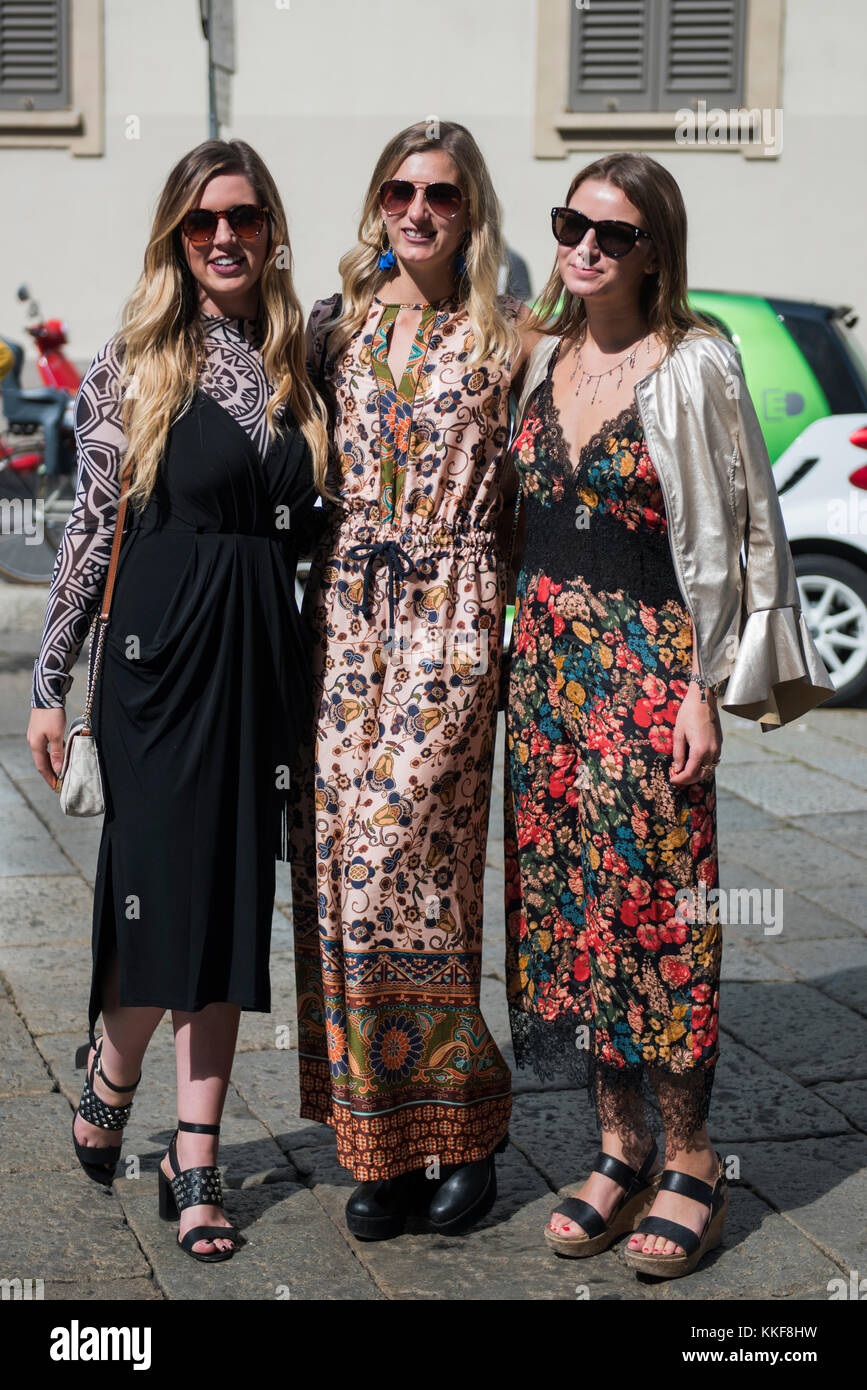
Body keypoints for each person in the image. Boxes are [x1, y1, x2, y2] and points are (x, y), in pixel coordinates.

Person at [503, 153, 834, 1278]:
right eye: (570, 224)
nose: (585, 246)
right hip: (544, 675)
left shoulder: (697, 363)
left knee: (660, 914)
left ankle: (693, 1162)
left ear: (656, 250)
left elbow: (745, 526)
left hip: (646, 671)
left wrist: (705, 685)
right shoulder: (540, 356)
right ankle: (618, 1142)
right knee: (575, 912)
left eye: (613, 232)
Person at [27, 138, 327, 1264]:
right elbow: (87, 531)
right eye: (203, 221)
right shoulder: (134, 360)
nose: (225, 237)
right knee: (158, 906)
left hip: (259, 667)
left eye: (244, 217)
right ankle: (113, 1075)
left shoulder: (301, 358)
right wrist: (53, 681)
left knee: (230, 914)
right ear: (176, 235)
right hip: (153, 672)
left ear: (269, 228)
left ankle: (192, 1161)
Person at [289, 120, 537, 1239]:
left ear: (471, 209)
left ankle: (468, 1126)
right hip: (347, 624)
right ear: (379, 204)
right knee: (344, 876)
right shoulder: (335, 331)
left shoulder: (511, 339)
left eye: (439, 193)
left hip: (452, 616)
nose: (417, 210)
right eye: (399, 190)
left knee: (410, 865)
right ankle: (383, 1141)